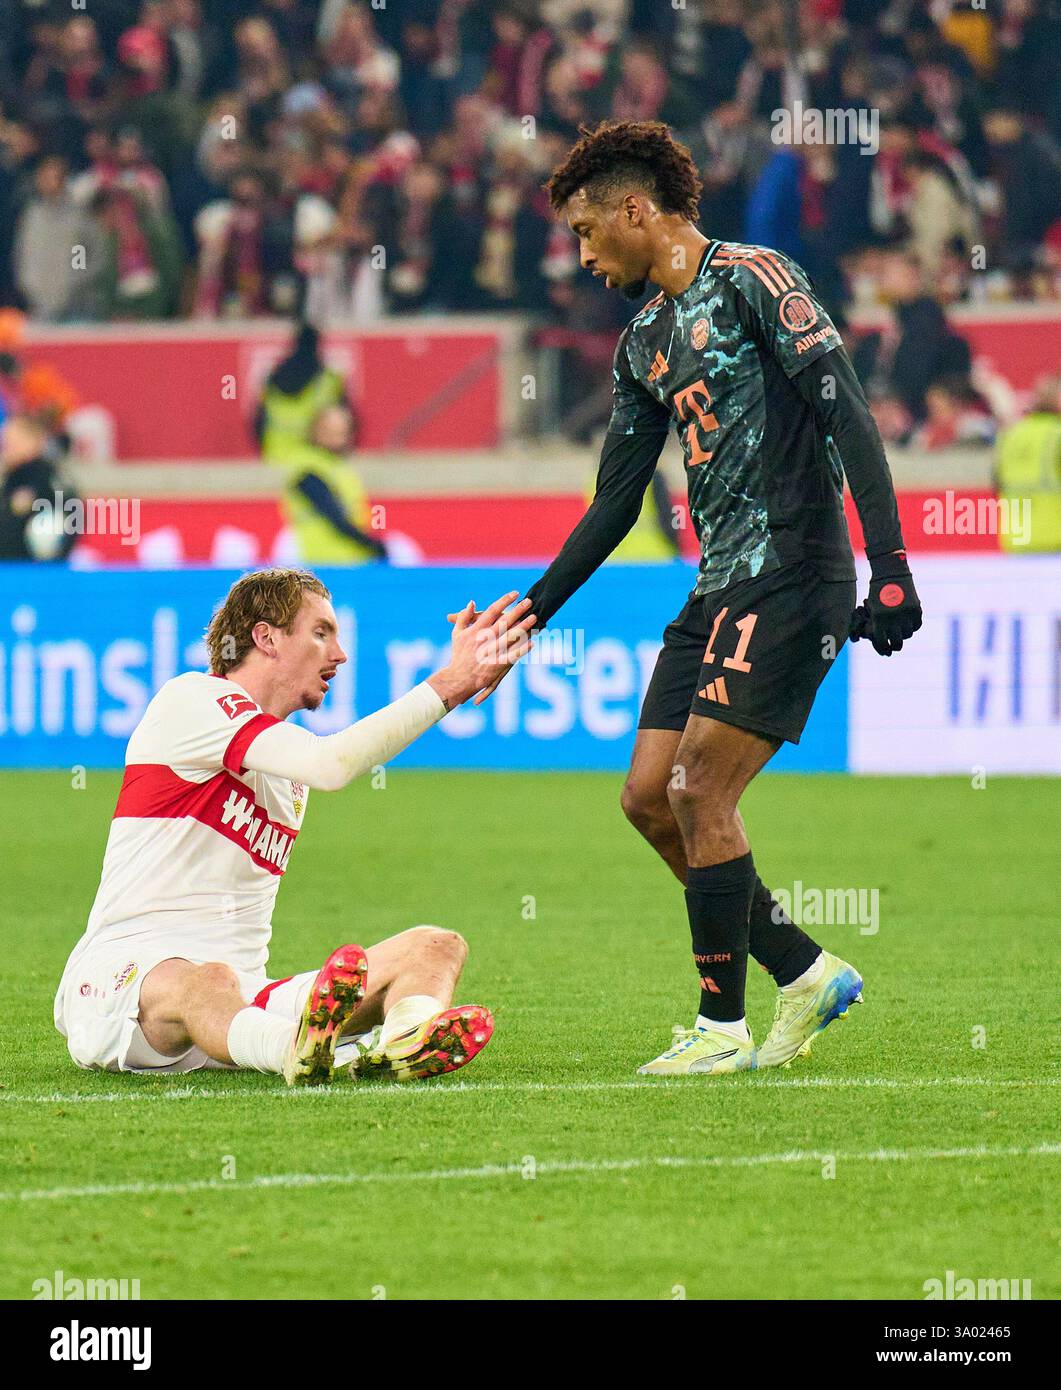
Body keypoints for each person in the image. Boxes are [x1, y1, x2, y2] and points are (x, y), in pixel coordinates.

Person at [469, 120, 922, 1077]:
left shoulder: (760, 277)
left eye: (590, 235)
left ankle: (720, 1027)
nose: (585, 258)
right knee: (647, 798)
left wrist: (887, 560)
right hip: (715, 584)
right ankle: (802, 973)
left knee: (699, 788)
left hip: (795, 569)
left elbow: (843, 406)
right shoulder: (643, 342)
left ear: (636, 210)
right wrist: (527, 616)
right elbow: (614, 503)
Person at [54, 568, 535, 1085]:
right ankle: (306, 1051)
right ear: (265, 637)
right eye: (321, 632)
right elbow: (333, 764)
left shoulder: (284, 769)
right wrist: (451, 682)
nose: (340, 655)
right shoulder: (192, 700)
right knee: (207, 979)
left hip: (239, 1009)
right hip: (122, 987)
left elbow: (323, 764)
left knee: (437, 946)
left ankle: (402, 1044)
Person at [280, 402, 388, 564]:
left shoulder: (337, 466)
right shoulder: (306, 466)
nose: (337, 438)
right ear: (315, 430)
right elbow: (333, 514)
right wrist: (373, 546)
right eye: (329, 432)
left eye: (341, 433)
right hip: (320, 560)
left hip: (349, 558)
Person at [254, 321, 347, 462]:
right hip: (316, 462)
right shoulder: (328, 380)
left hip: (275, 458)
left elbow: (258, 422)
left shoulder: (272, 378)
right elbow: (347, 420)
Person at [993, 375, 1061, 553]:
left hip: (1016, 541)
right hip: (1054, 539)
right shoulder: (1057, 434)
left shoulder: (1011, 433)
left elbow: (997, 482)